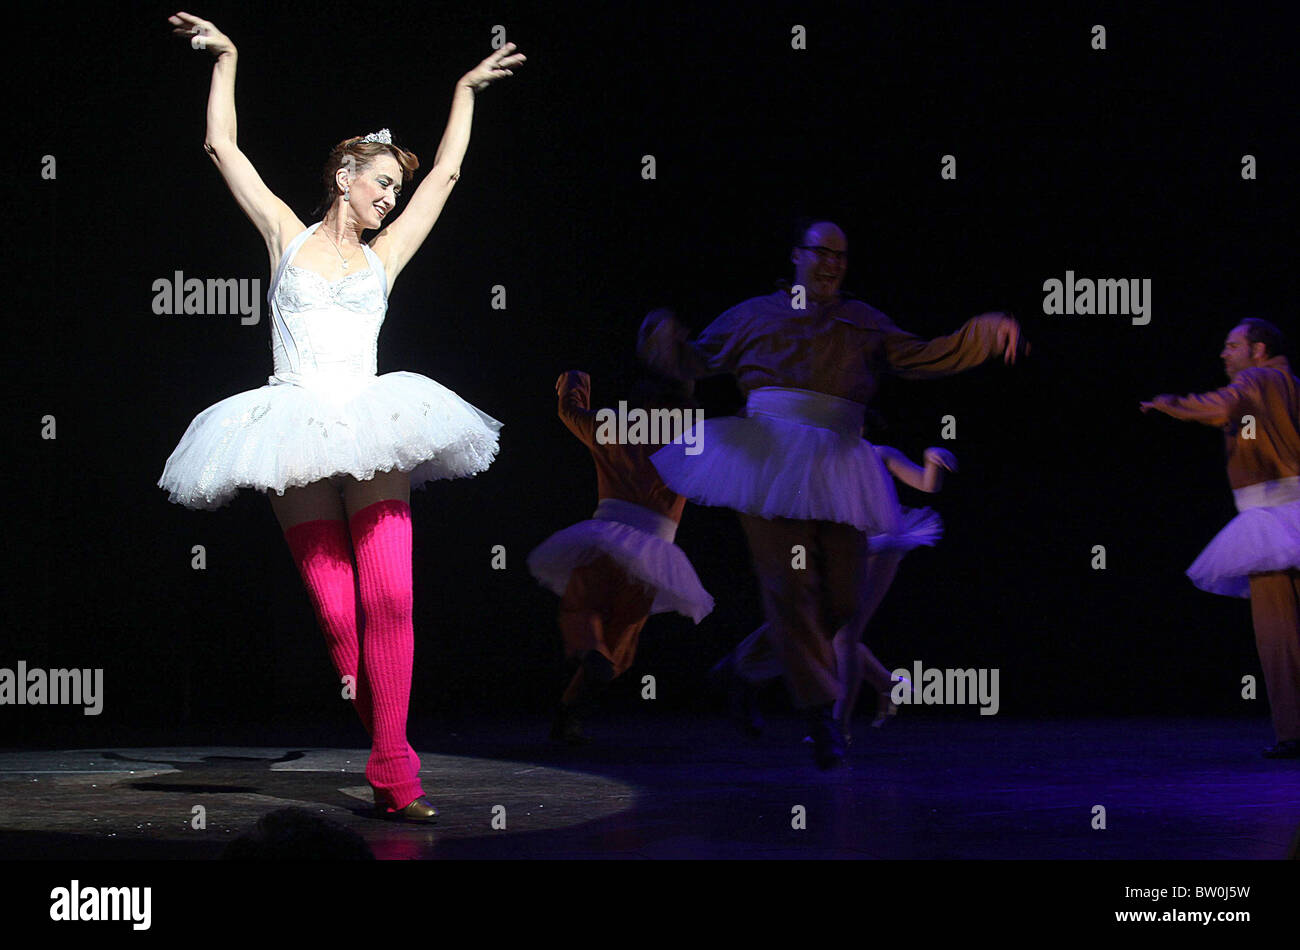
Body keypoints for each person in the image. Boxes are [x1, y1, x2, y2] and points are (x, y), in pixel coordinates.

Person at [158, 12, 525, 819]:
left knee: (391, 595)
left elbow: (447, 180)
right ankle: (380, 730)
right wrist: (228, 58)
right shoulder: (284, 234)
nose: (392, 197)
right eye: (382, 182)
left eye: (395, 187)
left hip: (369, 418)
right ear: (345, 177)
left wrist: (464, 92)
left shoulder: (384, 256)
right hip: (292, 423)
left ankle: (394, 770)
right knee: (337, 619)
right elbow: (225, 149)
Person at [639, 218, 1024, 767]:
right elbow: (694, 358)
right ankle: (822, 718)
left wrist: (982, 334)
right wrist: (661, 337)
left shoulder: (861, 322)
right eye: (821, 252)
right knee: (789, 585)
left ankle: (743, 669)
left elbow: (923, 355)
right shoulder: (752, 315)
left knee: (842, 600)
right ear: (796, 255)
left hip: (840, 463)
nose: (831, 264)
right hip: (769, 457)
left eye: (841, 256)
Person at [717, 442, 955, 743]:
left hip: (879, 546)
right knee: (830, 629)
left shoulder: (878, 454)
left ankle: (839, 726)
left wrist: (933, 460)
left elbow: (925, 483)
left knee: (844, 635)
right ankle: (884, 684)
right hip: (843, 548)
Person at [1141, 319, 1300, 758]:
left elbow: (1223, 407)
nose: (1224, 354)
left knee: (1278, 632)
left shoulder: (1256, 379)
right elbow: (1247, 425)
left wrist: (1171, 404)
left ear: (1259, 349)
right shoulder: (1289, 385)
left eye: (1232, 346)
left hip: (1270, 520)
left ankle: (1293, 732)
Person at [528, 370, 714, 743]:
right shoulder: (690, 437)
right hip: (653, 552)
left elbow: (571, 411)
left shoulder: (613, 426)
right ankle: (575, 705)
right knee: (621, 636)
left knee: (583, 608)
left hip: (607, 536)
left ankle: (584, 671)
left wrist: (574, 379)